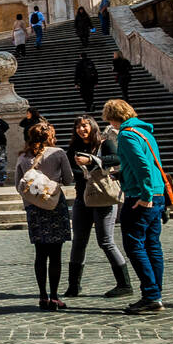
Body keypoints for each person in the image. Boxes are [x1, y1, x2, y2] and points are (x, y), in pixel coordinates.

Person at [103, 99, 168, 314]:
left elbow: (142, 166)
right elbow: (148, 164)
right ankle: (155, 293)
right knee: (152, 246)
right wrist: (123, 174)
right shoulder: (145, 132)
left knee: (134, 245)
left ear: (113, 117)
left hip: (141, 196)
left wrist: (145, 194)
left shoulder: (127, 134)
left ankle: (150, 295)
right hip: (157, 194)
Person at [66, 116, 132, 298]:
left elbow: (116, 158)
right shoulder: (73, 149)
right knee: (79, 240)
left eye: (84, 125)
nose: (81, 129)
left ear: (92, 126)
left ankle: (124, 284)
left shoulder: (106, 143)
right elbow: (74, 172)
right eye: (78, 126)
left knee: (105, 241)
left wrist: (91, 161)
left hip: (104, 198)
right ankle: (74, 285)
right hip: (83, 198)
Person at [15, 120, 74, 310]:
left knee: (40, 253)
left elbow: (18, 185)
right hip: (55, 205)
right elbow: (68, 179)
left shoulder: (23, 157)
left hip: (34, 208)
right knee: (55, 254)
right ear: (51, 136)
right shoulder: (58, 153)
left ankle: (42, 296)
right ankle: (55, 296)